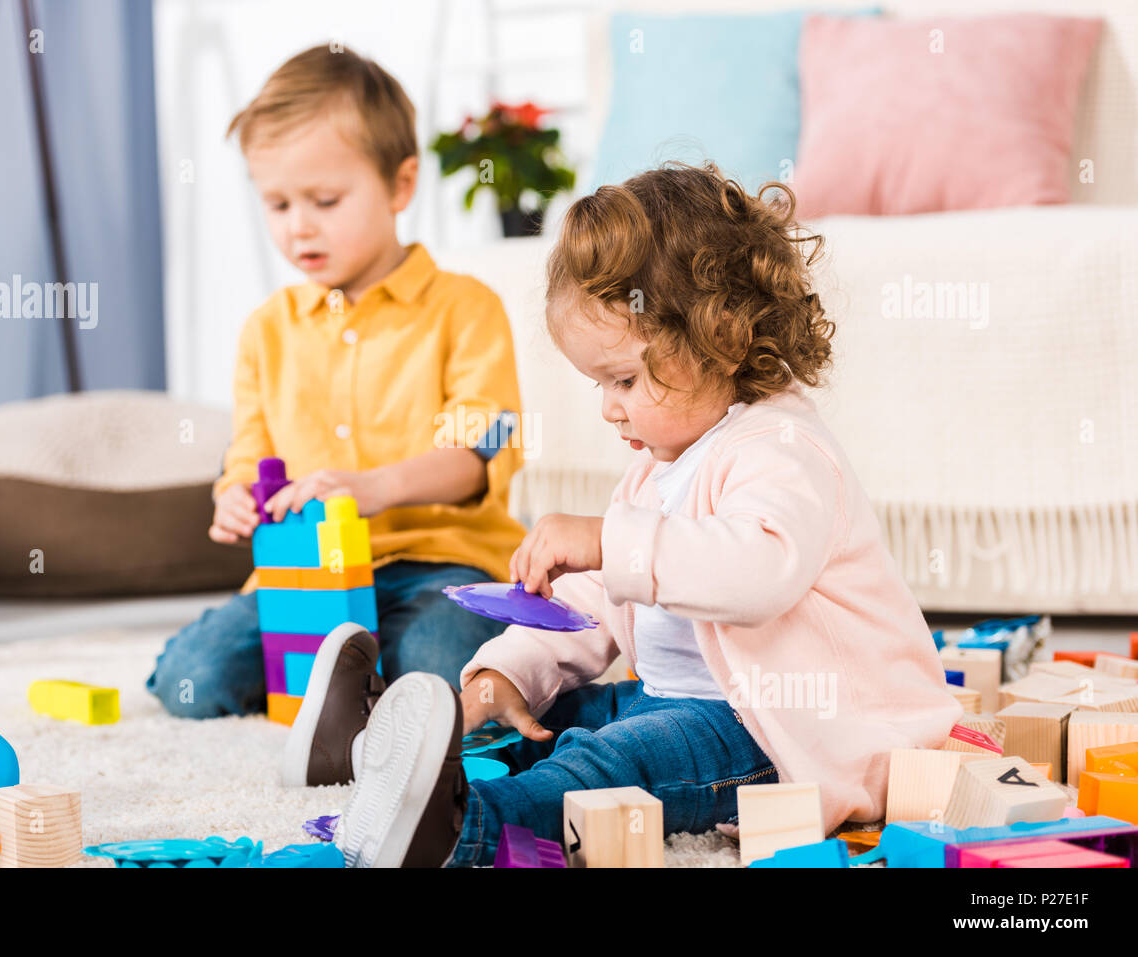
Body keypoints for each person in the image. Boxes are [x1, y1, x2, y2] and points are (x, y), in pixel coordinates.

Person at [286, 162, 962, 867]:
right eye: (599, 384)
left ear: (720, 336)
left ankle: (463, 825)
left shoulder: (783, 446)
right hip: (672, 703)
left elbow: (756, 573)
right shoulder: (659, 463)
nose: (609, 407)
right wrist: (508, 672)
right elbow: (592, 601)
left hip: (779, 730)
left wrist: (607, 539)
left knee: (607, 768)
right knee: (547, 721)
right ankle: (373, 752)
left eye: (625, 380)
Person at [146, 44, 526, 719]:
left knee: (440, 668)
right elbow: (250, 451)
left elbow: (480, 453)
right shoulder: (267, 329)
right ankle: (353, 675)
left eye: (325, 199)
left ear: (400, 186)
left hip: (440, 567)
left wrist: (377, 487)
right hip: (302, 577)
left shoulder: (467, 308)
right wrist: (234, 494)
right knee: (195, 677)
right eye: (278, 203)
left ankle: (378, 675)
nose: (299, 226)